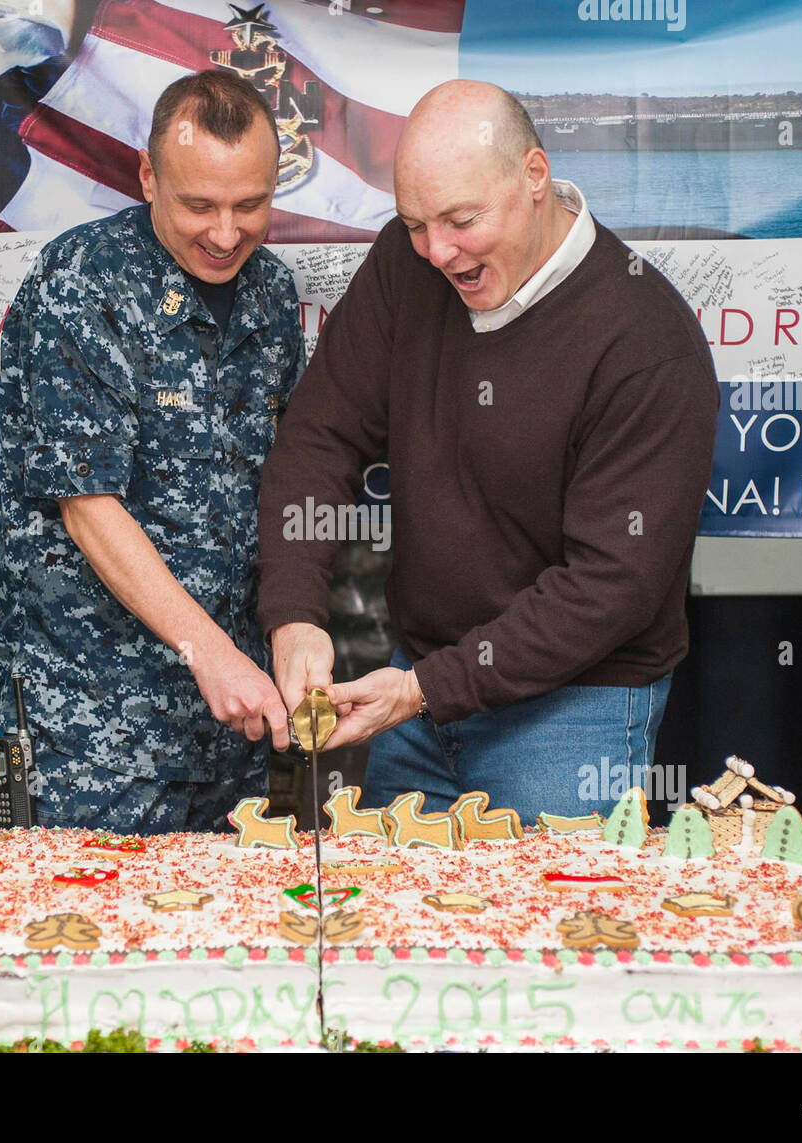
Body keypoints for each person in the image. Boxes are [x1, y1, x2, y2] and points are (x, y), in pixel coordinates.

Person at [258, 80, 719, 822]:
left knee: (548, 932)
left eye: (461, 220)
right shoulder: (407, 268)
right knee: (396, 931)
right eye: (414, 224)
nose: (438, 251)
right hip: (418, 695)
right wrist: (294, 611)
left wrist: (425, 688)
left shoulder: (646, 341)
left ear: (534, 177)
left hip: (576, 710)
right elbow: (321, 435)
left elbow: (611, 583)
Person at [0, 70, 300, 833]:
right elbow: (87, 507)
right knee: (83, 941)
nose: (225, 234)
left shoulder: (274, 296)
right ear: (149, 177)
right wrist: (209, 652)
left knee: (230, 943)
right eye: (199, 206)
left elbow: (287, 477)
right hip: (87, 727)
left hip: (233, 728)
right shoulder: (82, 285)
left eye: (249, 205)